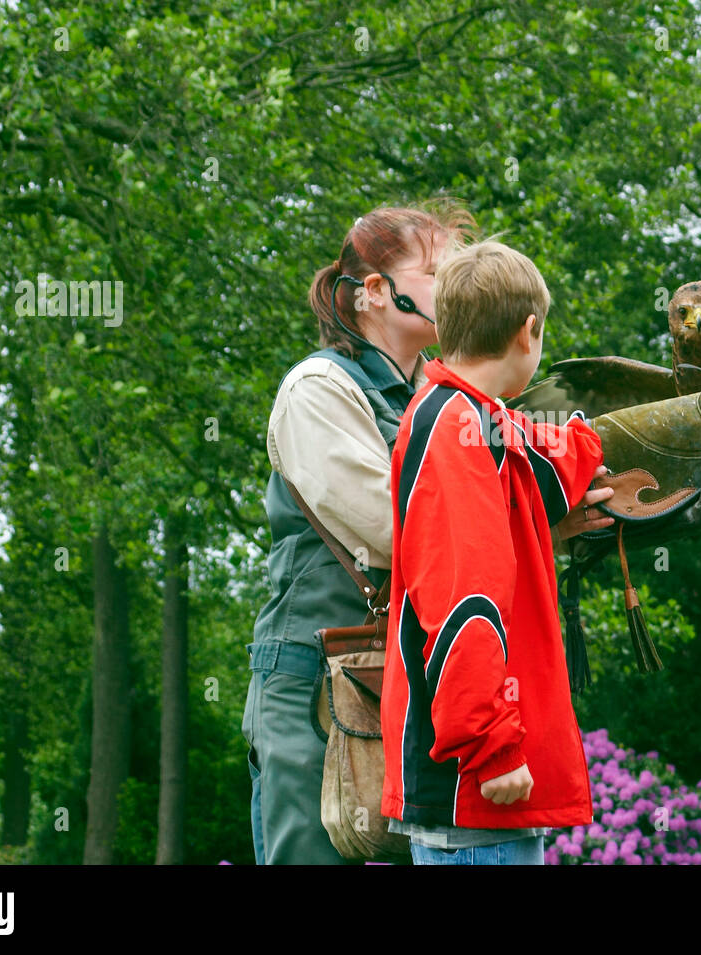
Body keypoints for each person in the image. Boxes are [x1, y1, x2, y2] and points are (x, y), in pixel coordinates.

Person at [242, 204, 619, 865]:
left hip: (406, 673)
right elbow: (407, 533)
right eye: (436, 269)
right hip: (315, 674)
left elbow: (482, 520)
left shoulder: (443, 396)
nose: (451, 283)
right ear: (377, 292)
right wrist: (538, 522)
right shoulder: (318, 387)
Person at [380, 239, 609, 865]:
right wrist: (493, 749)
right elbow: (463, 600)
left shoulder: (466, 413)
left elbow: (542, 460)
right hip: (478, 794)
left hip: (481, 799)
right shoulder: (455, 429)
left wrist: (589, 444)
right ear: (528, 332)